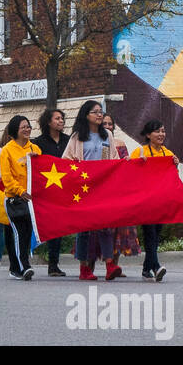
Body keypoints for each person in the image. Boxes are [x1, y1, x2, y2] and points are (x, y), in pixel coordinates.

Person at [62, 101, 123, 281]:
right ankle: (84, 268)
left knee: (105, 227)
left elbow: (114, 158)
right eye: (95, 112)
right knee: (84, 229)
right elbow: (66, 160)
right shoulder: (77, 137)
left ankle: (110, 264)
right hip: (84, 188)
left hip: (103, 187)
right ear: (86, 115)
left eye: (100, 112)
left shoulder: (108, 136)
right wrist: (78, 169)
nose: (99, 115)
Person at [129, 120, 179, 282]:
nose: (161, 134)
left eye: (163, 131)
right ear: (148, 135)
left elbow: (171, 178)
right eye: (157, 131)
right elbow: (127, 172)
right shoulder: (140, 151)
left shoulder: (168, 154)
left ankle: (145, 269)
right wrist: (138, 164)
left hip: (161, 201)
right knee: (150, 232)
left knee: (156, 234)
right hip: (145, 201)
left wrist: (175, 166)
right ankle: (156, 266)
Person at [0, 115, 41, 280]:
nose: (27, 129)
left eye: (28, 126)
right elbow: (7, 178)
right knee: (17, 233)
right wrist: (19, 190)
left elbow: (40, 173)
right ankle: (24, 266)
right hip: (14, 199)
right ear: (15, 130)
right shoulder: (6, 150)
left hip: (31, 199)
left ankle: (18, 267)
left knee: (27, 233)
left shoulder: (35, 149)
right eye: (23, 127)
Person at [31, 108, 70, 276]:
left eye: (62, 118)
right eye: (57, 118)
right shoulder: (38, 143)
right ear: (48, 122)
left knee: (61, 227)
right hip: (47, 191)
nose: (61, 121)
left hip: (67, 189)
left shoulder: (69, 140)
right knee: (51, 226)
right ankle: (50, 263)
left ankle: (54, 263)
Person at [102, 113, 140, 266]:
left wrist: (128, 162)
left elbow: (126, 168)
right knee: (100, 230)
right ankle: (88, 268)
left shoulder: (120, 143)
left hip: (117, 191)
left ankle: (114, 266)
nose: (107, 127)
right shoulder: (94, 143)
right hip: (100, 192)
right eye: (104, 124)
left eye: (109, 124)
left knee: (119, 229)